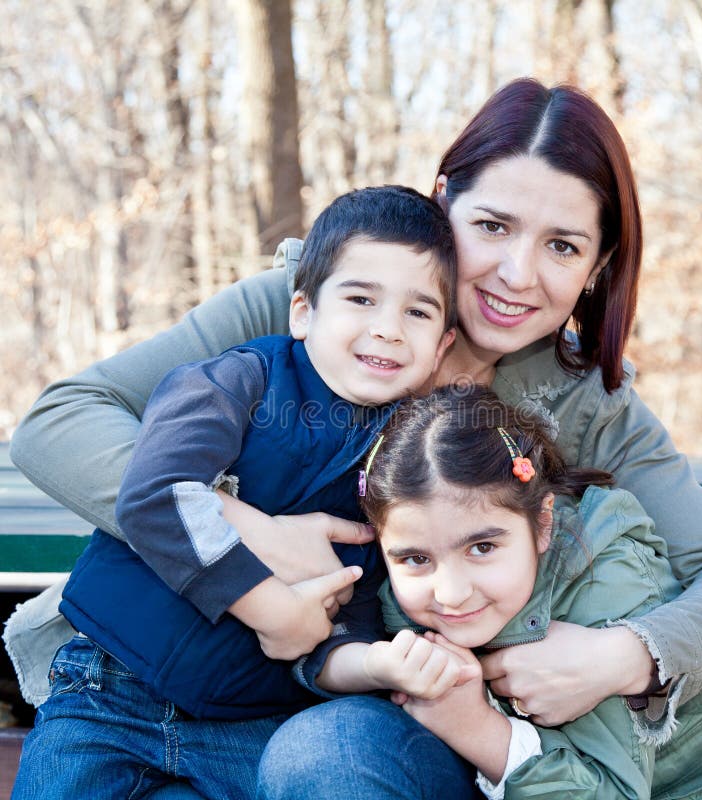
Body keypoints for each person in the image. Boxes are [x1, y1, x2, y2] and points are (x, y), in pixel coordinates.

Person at [6, 78, 702, 799]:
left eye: (562, 246)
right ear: (443, 201)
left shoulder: (589, 402)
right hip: (220, 682)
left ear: (596, 266)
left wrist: (616, 657)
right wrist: (251, 533)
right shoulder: (318, 305)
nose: (517, 274)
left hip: (458, 733)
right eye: (492, 226)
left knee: (326, 753)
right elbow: (62, 423)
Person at [10, 185, 458, 799]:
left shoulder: (408, 457)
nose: (387, 329)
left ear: (443, 345)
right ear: (302, 311)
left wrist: (373, 663)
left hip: (253, 721)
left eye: (418, 312)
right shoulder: (238, 380)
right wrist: (269, 606)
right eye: (361, 298)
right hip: (111, 690)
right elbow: (155, 493)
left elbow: (348, 610)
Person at [306, 385, 702, 799]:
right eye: (415, 559)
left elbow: (611, 792)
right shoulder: (399, 583)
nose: (450, 594)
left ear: (543, 524)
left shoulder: (607, 585)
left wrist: (472, 727)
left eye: (483, 547)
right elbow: (317, 651)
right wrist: (373, 665)